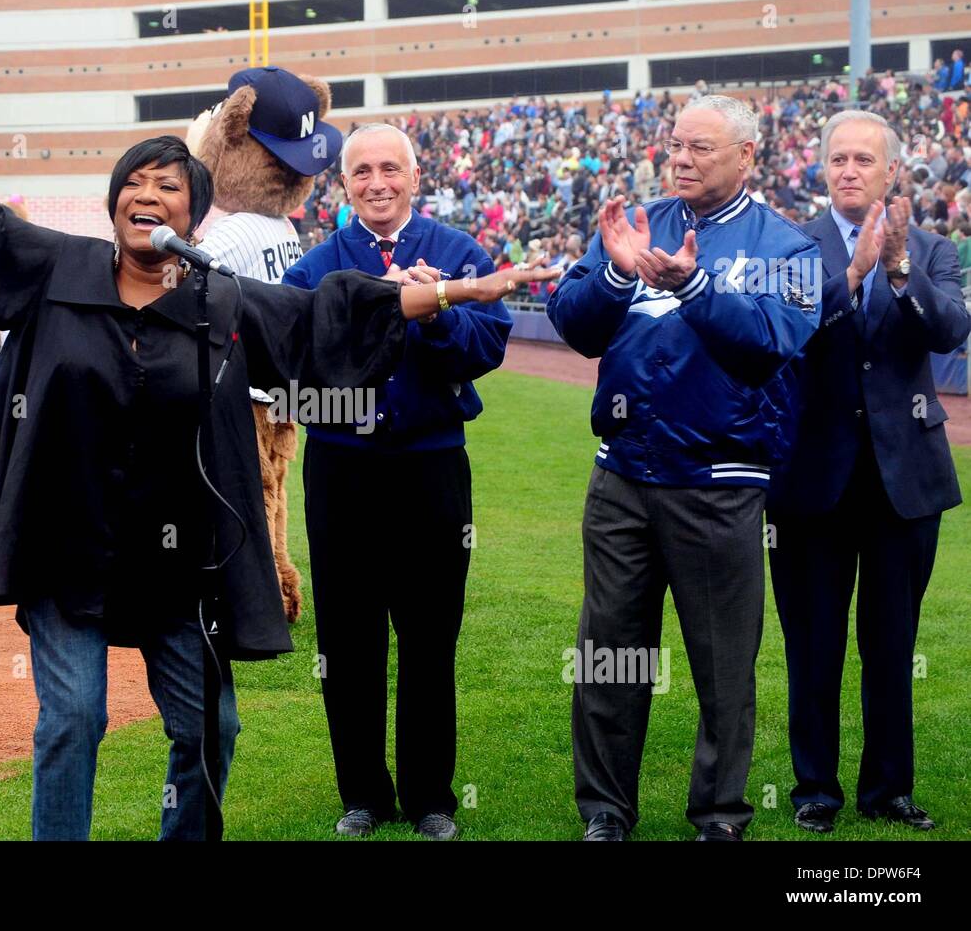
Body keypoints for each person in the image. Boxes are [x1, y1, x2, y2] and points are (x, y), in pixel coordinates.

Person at [0, 36, 540, 841]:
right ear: (115, 202)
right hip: (69, 548)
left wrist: (460, 290)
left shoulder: (217, 300)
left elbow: (323, 316)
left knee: (211, 729)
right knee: (74, 717)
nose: (147, 195)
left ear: (192, 213)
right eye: (134, 183)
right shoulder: (59, 270)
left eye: (167, 186)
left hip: (176, 562)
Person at [547, 95, 822, 842]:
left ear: (747, 156)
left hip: (719, 484)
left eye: (702, 148)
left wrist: (693, 289)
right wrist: (610, 272)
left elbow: (773, 342)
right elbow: (571, 322)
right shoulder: (637, 221)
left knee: (722, 667)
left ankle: (720, 814)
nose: (683, 159)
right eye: (676, 145)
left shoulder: (786, 248)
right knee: (612, 654)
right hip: (623, 477)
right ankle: (606, 811)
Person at [282, 122, 522, 841]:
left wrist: (439, 306)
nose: (378, 182)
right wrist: (383, 302)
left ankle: (431, 798)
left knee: (428, 638)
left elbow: (488, 346)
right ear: (342, 184)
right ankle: (361, 793)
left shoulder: (458, 253)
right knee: (349, 640)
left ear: (416, 178)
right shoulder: (318, 265)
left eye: (391, 169)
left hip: (430, 467)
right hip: (341, 469)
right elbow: (300, 359)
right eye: (362, 171)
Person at [768, 110, 971, 835]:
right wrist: (849, 276)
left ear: (892, 172)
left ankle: (888, 788)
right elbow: (782, 337)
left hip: (905, 480)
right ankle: (814, 789)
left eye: (864, 159)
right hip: (810, 481)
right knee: (813, 645)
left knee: (892, 646)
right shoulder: (790, 246)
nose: (849, 169)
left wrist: (895, 271)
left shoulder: (931, 247)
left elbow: (948, 330)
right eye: (838, 158)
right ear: (823, 169)